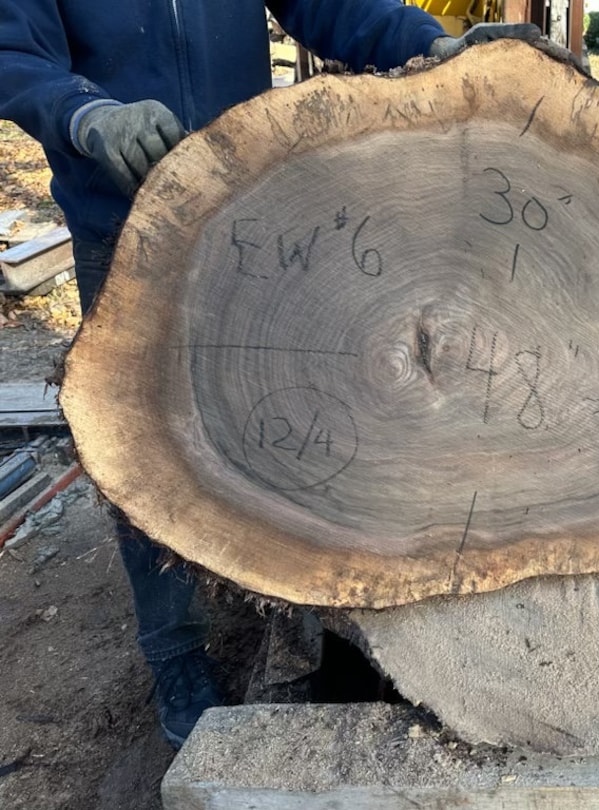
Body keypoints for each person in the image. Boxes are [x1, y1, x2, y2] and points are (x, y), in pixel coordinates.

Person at [0, 1, 538, 749]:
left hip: (254, 205)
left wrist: (431, 43)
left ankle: (304, 603)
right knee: (143, 452)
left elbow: (332, 4)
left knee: (289, 418)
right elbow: (14, 54)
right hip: (124, 219)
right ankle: (176, 652)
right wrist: (88, 116)